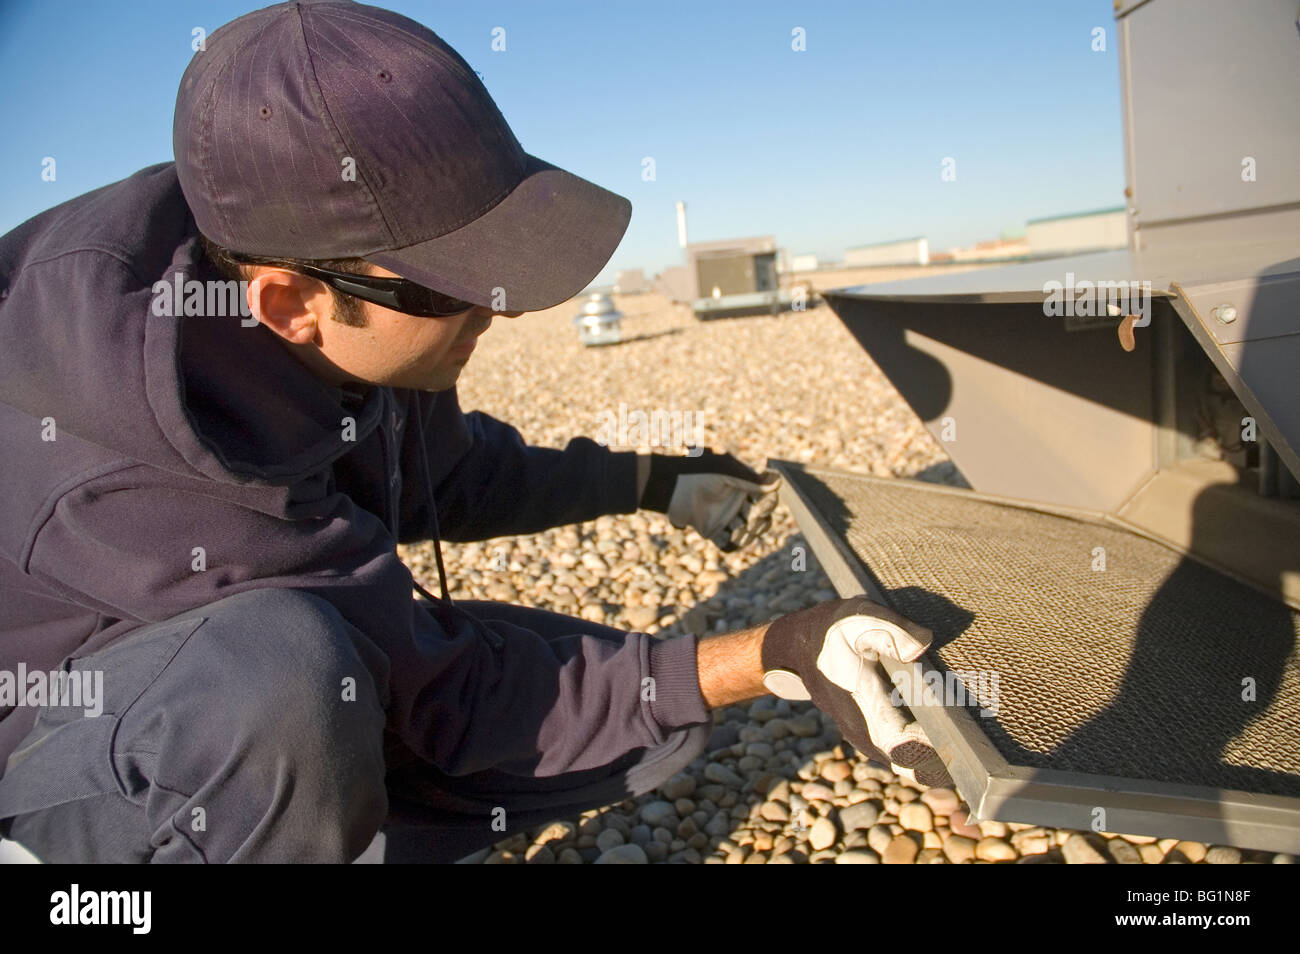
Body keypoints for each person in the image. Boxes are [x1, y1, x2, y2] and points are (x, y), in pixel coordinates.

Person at [0, 0, 944, 863]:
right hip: (56, 751)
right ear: (291, 301)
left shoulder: (289, 235)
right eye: (457, 284)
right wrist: (763, 656)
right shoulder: (141, 464)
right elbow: (445, 692)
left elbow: (450, 476)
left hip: (188, 660)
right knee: (278, 684)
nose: (502, 307)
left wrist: (653, 479)